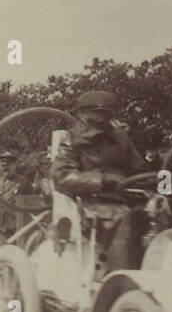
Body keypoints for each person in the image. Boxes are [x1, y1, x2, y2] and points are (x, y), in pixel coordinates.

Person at [49, 90, 148, 271]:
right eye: (98, 113)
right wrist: (103, 180)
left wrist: (164, 187)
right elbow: (61, 177)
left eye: (107, 113)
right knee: (123, 216)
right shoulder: (71, 140)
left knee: (160, 215)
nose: (103, 119)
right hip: (88, 203)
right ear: (82, 114)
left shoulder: (121, 138)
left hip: (122, 199)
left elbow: (141, 171)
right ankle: (118, 280)